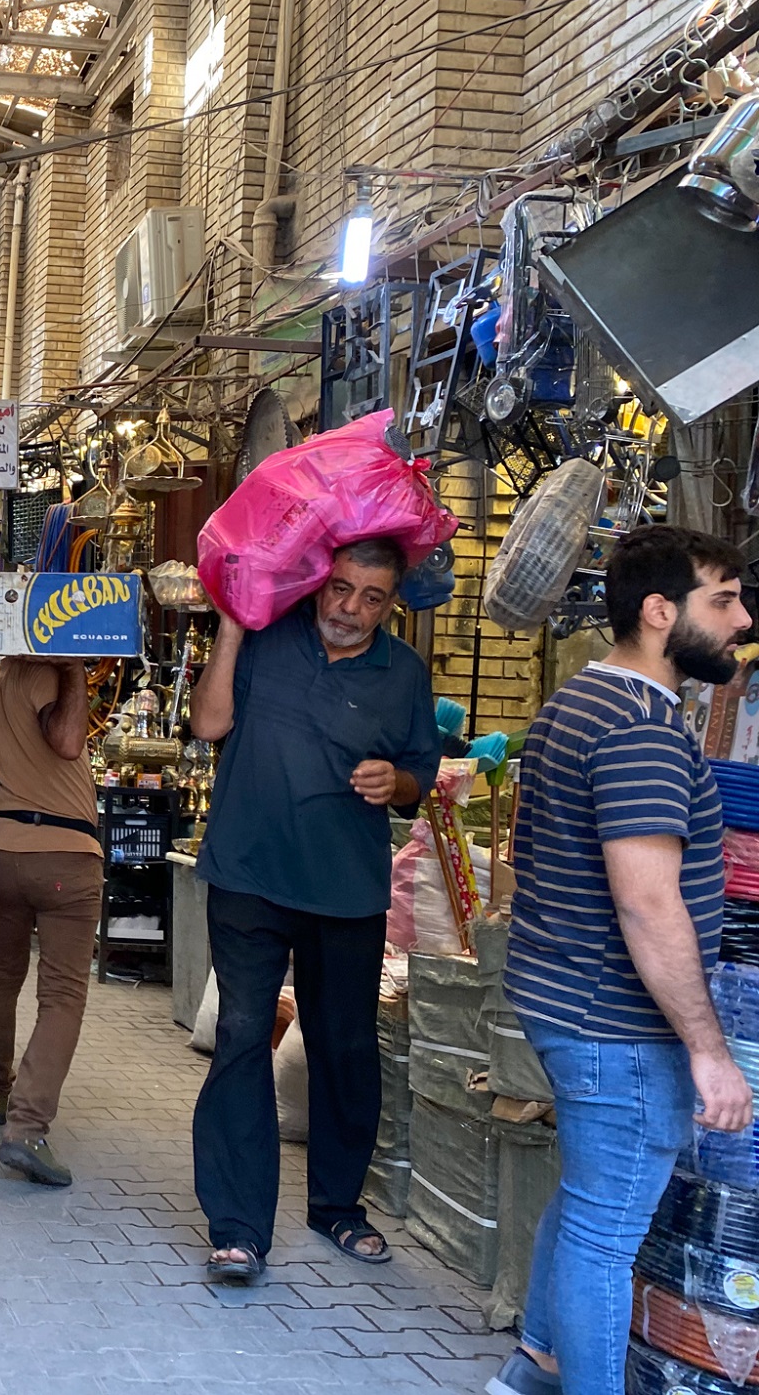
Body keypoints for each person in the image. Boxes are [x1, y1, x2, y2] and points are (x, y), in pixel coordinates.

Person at [490, 527, 752, 1395]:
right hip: (618, 1027)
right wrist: (710, 1053)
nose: (742, 620)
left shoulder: (577, 701)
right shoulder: (641, 726)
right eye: (723, 599)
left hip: (571, 1005)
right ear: (658, 610)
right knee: (605, 1240)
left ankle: (530, 1368)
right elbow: (648, 903)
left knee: (585, 1206)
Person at [187, 536, 440, 1280]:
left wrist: (393, 782)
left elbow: (421, 772)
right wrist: (233, 627)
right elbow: (207, 725)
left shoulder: (405, 674)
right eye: (341, 590)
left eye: (372, 598)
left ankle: (337, 1207)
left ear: (391, 605)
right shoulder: (267, 640)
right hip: (249, 875)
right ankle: (238, 1226)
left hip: (346, 889)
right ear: (318, 584)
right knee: (240, 1038)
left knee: (346, 1050)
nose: (351, 609)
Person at [0, 653, 101, 1187]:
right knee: (62, 994)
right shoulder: (55, 673)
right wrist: (75, 671)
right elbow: (68, 742)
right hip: (67, 854)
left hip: (3, 853)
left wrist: (12, 810)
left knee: (0, 974)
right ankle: (27, 1127)